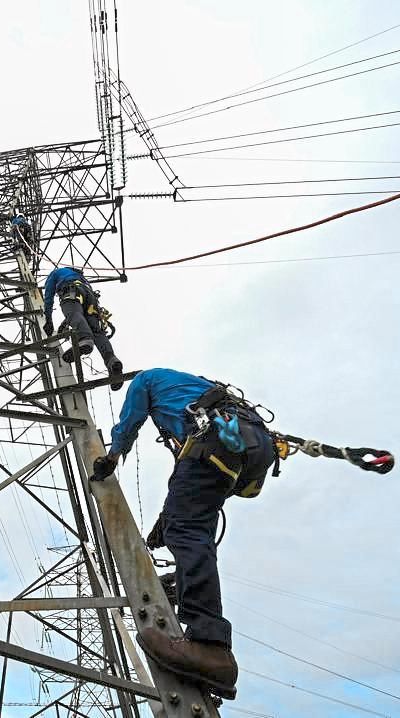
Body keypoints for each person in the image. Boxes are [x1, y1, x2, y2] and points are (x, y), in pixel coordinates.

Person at [90, 368, 278, 700]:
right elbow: (188, 479)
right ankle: (187, 587)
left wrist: (112, 457)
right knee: (191, 525)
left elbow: (130, 422)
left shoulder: (146, 380)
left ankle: (209, 644)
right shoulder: (199, 389)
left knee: (188, 530)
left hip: (216, 443)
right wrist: (167, 520)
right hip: (250, 447)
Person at [42, 267, 123, 389]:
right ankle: (112, 361)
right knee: (97, 332)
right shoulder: (80, 277)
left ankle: (84, 339)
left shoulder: (56, 273)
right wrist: (65, 323)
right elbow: (80, 313)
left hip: (72, 292)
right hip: (91, 299)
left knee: (73, 313)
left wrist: (48, 319)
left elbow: (49, 296)